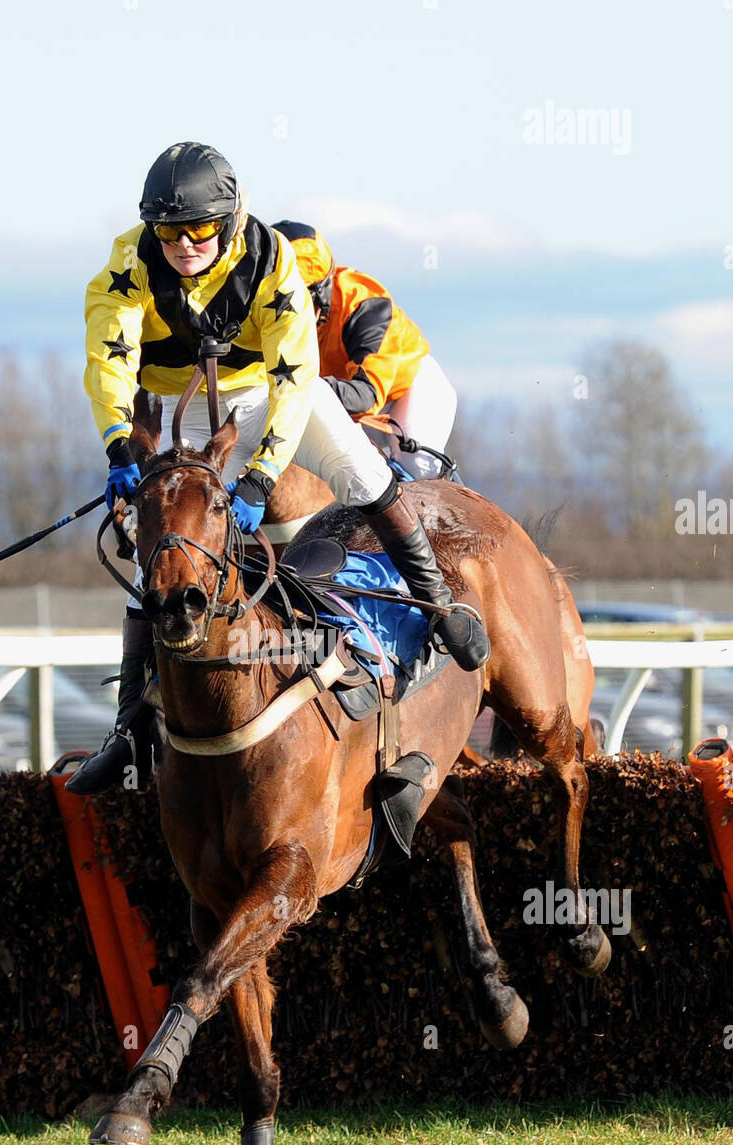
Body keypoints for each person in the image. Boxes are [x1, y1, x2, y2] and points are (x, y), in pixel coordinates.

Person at [67, 143, 488, 795]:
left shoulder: (269, 260)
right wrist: (120, 446)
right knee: (157, 544)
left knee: (363, 475)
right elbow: (109, 362)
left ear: (229, 218)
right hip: (180, 406)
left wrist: (260, 479)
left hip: (268, 394)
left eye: (199, 229)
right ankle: (129, 729)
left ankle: (438, 608)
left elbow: (295, 382)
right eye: (169, 231)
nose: (183, 245)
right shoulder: (128, 264)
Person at [272, 220, 458, 477]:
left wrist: (304, 386)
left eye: (296, 303)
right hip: (340, 400)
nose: (287, 317)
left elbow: (367, 397)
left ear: (320, 292)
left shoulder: (364, 305)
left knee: (416, 470)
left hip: (403, 392)